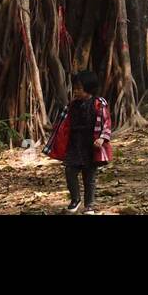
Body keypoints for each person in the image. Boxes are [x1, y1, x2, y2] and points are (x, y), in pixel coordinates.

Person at [45, 69, 112, 213]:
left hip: (91, 145)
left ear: (89, 89)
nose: (75, 91)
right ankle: (75, 199)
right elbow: (63, 123)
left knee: (89, 176)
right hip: (75, 144)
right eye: (74, 88)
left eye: (79, 89)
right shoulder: (72, 105)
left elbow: (106, 122)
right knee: (70, 171)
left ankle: (89, 204)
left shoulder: (99, 104)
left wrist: (101, 138)